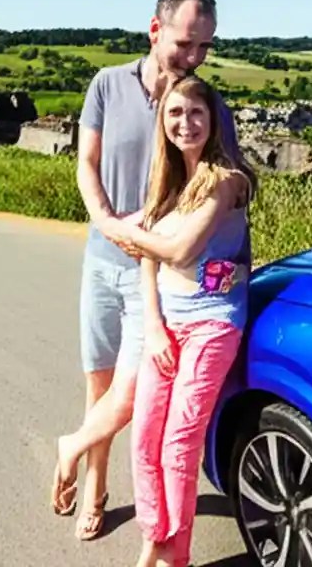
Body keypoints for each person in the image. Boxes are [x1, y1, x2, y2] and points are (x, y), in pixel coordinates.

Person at [50, 0, 246, 542]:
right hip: (102, 259)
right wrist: (108, 222)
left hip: (161, 276)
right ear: (155, 30)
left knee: (133, 394)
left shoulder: (204, 104)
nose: (195, 56)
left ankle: (73, 446)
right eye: (187, 42)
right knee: (100, 381)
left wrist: (232, 271)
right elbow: (86, 165)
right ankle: (95, 488)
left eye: (205, 46)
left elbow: (223, 182)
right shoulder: (107, 85)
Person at [102, 74, 257, 567]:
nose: (185, 123)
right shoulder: (166, 183)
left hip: (213, 323)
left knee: (179, 442)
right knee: (144, 436)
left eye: (196, 113)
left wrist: (123, 230)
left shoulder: (227, 180)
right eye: (174, 113)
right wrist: (151, 325)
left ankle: (176, 555)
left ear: (213, 121)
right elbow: (152, 260)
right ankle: (155, 532)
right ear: (162, 121)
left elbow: (178, 249)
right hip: (166, 321)